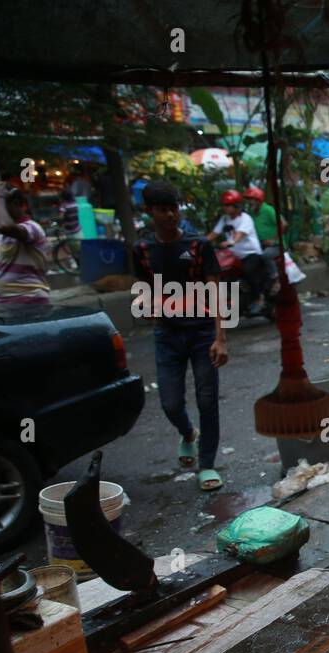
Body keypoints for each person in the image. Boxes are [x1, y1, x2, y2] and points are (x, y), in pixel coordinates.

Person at [135, 180, 229, 492]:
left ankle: (207, 465)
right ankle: (188, 433)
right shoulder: (143, 250)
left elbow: (215, 289)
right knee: (170, 402)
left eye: (174, 208)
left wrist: (220, 337)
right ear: (150, 212)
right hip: (167, 334)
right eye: (162, 209)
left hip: (202, 333)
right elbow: (144, 288)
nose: (170, 215)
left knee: (207, 400)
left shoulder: (198, 246)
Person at [207, 189, 270, 317]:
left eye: (228, 205)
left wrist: (232, 242)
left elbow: (240, 234)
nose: (225, 208)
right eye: (224, 205)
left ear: (236, 206)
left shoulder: (245, 219)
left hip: (250, 253)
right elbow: (214, 233)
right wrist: (200, 242)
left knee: (248, 271)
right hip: (232, 255)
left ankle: (259, 298)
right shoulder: (225, 219)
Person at [0, 184, 50, 305]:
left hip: (28, 300)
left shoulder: (32, 228)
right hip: (3, 302)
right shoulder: (4, 235)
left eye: (0, 205)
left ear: (16, 203)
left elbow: (4, 225)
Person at [243, 185, 283, 303]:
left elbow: (283, 224)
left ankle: (276, 280)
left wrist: (273, 240)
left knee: (265, 255)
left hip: (275, 245)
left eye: (251, 199)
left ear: (258, 200)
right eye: (248, 199)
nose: (249, 202)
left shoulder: (268, 210)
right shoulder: (252, 213)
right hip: (261, 245)